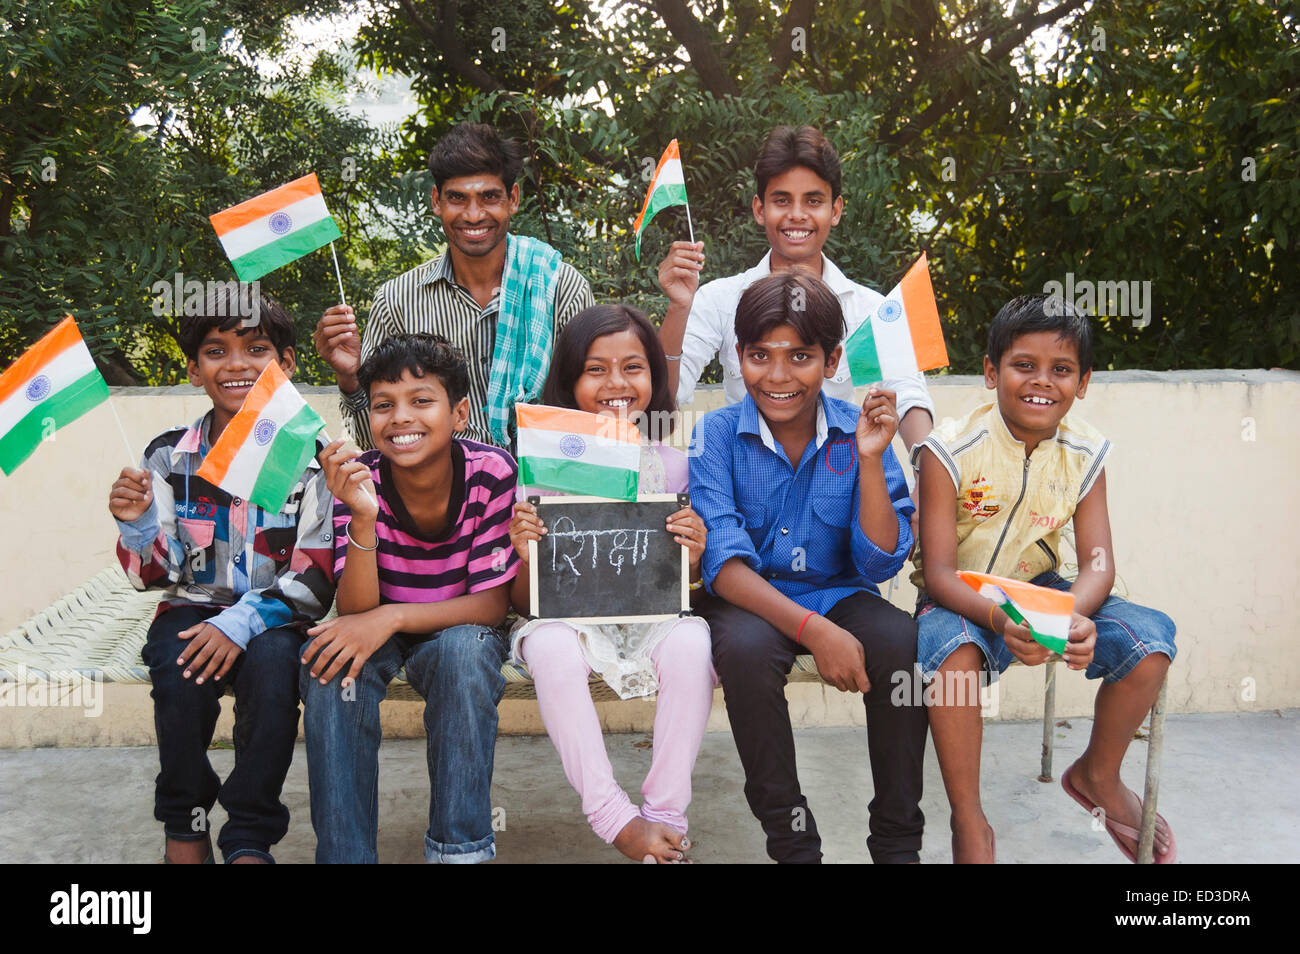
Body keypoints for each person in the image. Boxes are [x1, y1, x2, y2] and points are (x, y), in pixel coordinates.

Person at [912, 294, 1177, 864]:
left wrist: (1071, 613)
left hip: (1046, 590)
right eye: (1023, 365)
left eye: (1061, 369)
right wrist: (1003, 619)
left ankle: (1098, 777)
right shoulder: (948, 450)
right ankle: (970, 819)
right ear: (991, 372)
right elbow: (934, 573)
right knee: (951, 658)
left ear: (1082, 382)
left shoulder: (1086, 453)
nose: (1041, 382)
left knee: (1151, 642)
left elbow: (1099, 561)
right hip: (962, 599)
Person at [688, 271, 927, 864]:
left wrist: (871, 461)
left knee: (901, 640)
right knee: (742, 653)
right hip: (750, 600)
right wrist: (814, 632)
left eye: (800, 356)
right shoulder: (715, 435)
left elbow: (878, 561)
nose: (778, 376)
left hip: (836, 590)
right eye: (759, 356)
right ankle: (792, 843)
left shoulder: (859, 429)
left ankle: (897, 840)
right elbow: (723, 565)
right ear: (737, 357)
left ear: (832, 359)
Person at [108, 288, 334, 864]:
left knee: (276, 674)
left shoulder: (316, 454)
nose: (236, 364)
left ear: (285, 364)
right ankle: (184, 825)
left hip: (276, 615)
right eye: (215, 350)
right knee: (176, 673)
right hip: (190, 605)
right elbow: (155, 576)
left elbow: (314, 578)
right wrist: (136, 525)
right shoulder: (167, 457)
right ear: (193, 369)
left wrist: (242, 622)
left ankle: (249, 835)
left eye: (256, 348)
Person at [506, 305, 714, 863]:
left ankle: (666, 816)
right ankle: (613, 816)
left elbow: (685, 591)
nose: (616, 384)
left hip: (649, 622)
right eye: (595, 369)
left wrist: (694, 556)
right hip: (569, 623)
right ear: (569, 382)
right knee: (548, 645)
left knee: (694, 642)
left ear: (655, 378)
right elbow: (522, 602)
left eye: (633, 367)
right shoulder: (539, 470)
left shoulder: (675, 466)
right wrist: (524, 550)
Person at [301, 333, 519, 863]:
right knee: (329, 667)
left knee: (465, 654)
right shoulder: (358, 480)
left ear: (459, 413)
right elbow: (354, 612)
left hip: (457, 627)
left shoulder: (492, 473)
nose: (401, 417)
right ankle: (346, 856)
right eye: (383, 405)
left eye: (421, 400)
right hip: (377, 624)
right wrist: (364, 515)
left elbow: (492, 606)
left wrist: (392, 617)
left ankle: (459, 850)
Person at [314, 122, 595, 451]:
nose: (474, 215)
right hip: (440, 497)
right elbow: (377, 442)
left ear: (513, 199)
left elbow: (594, 410)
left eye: (489, 197)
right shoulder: (397, 301)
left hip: (542, 489)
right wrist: (349, 378)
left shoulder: (560, 287)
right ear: (437, 201)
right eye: (457, 199)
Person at [657, 124, 935, 450]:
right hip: (743, 488)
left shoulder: (868, 308)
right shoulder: (720, 300)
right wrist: (678, 308)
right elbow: (663, 404)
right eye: (782, 200)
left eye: (813, 201)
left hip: (833, 486)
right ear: (760, 209)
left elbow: (909, 395)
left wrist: (926, 471)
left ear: (836, 210)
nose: (798, 215)